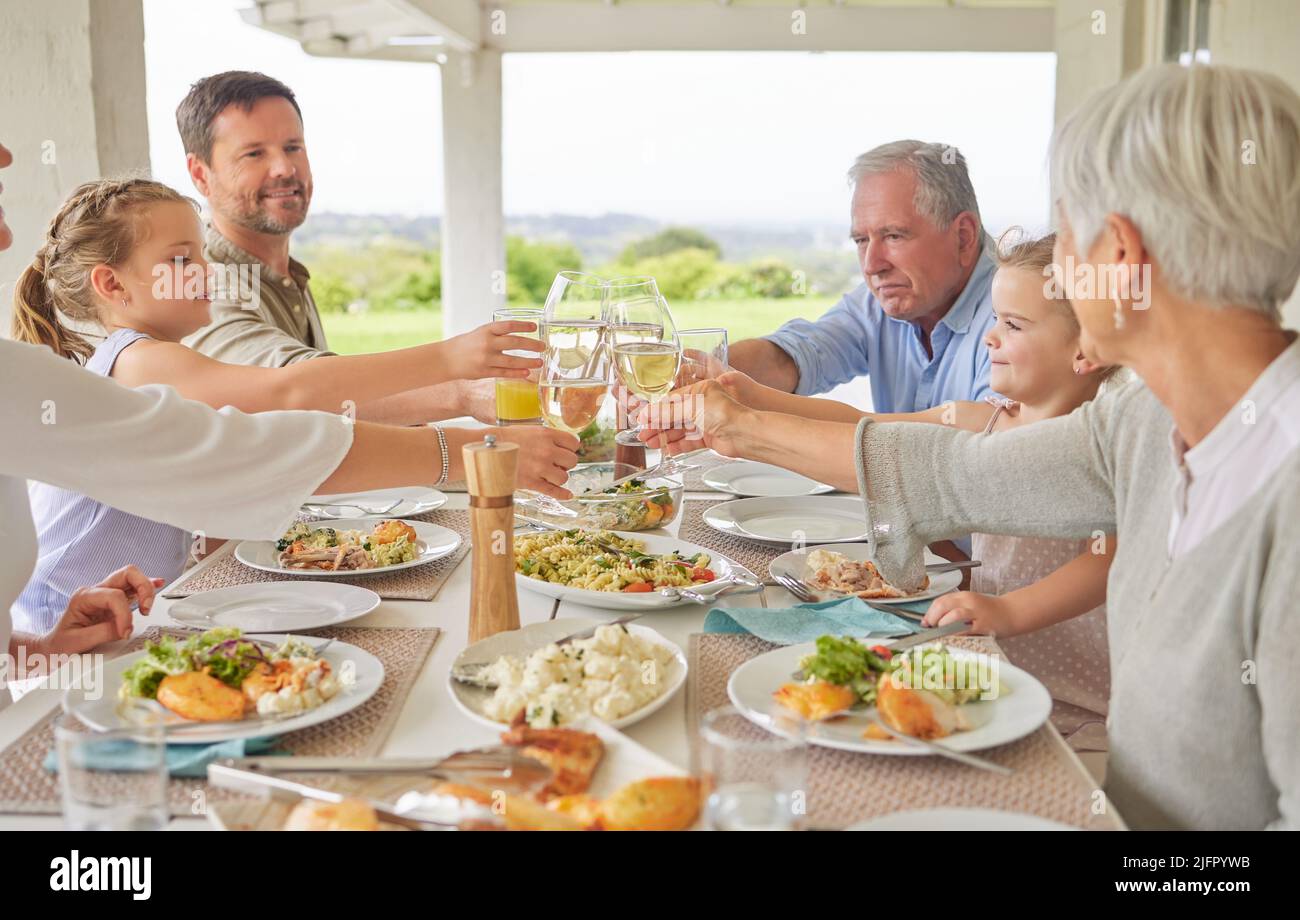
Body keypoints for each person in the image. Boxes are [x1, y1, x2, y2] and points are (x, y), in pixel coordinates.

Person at [643, 64, 1300, 830]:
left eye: (1069, 230)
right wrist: (735, 422)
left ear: (1119, 254)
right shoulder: (1143, 418)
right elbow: (957, 472)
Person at [0, 138, 561, 697]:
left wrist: (459, 397)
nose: (204, 273)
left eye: (199, 254)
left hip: (76, 643)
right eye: (179, 261)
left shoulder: (147, 359)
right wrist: (448, 362)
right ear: (112, 284)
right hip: (60, 680)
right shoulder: (141, 360)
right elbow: (290, 393)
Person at [173, 70, 493, 423]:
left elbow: (327, 417)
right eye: (253, 154)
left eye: (293, 147)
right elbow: (295, 392)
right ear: (200, 174)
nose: (284, 168)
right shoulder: (197, 283)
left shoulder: (283, 271)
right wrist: (461, 391)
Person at [726, 140, 997, 417]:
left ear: (963, 237)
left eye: (894, 236)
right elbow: (801, 354)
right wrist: (708, 373)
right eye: (861, 240)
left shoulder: (1018, 315)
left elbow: (975, 447)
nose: (871, 266)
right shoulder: (881, 301)